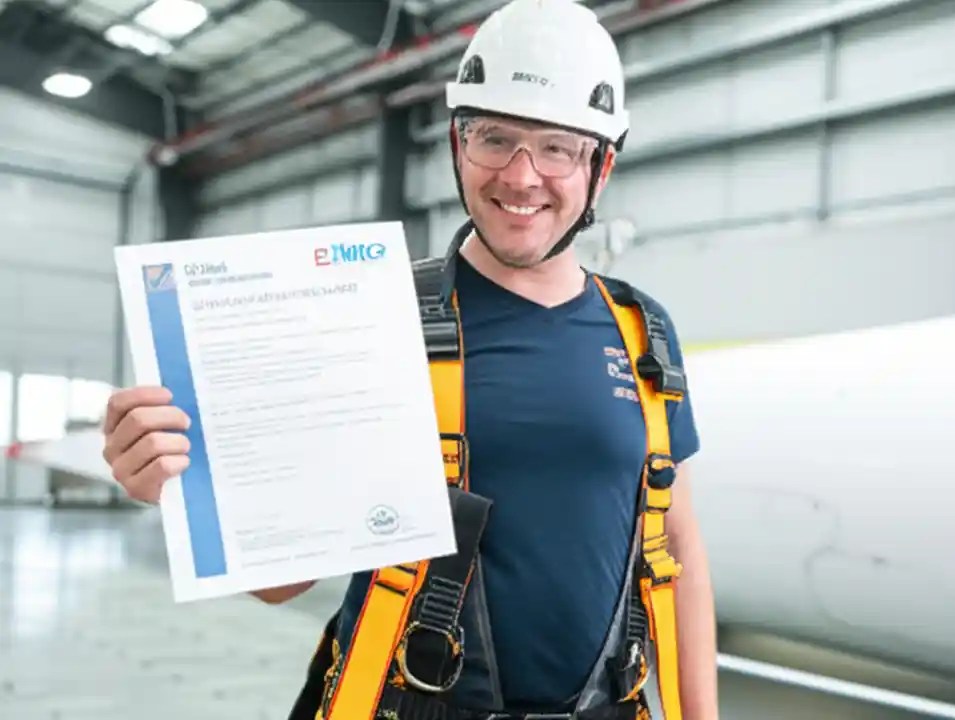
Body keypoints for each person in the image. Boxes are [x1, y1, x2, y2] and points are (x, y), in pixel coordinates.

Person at [99, 0, 718, 718]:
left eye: (557, 148)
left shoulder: (644, 334)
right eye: (495, 138)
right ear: (458, 144)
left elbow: (678, 549)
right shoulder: (373, 316)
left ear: (600, 167)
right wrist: (184, 482)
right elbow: (280, 582)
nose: (522, 176)